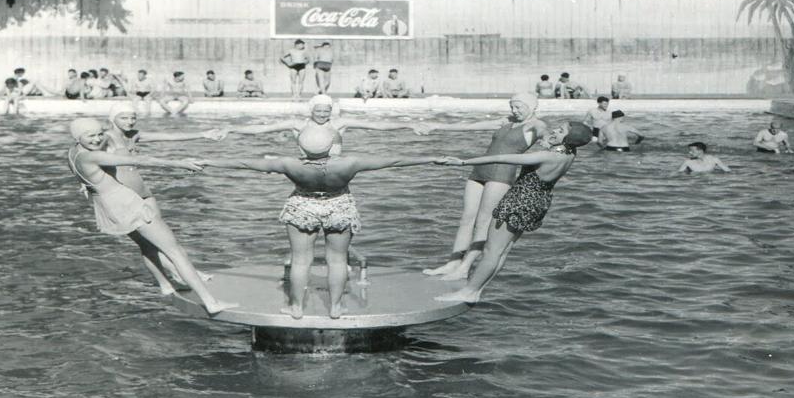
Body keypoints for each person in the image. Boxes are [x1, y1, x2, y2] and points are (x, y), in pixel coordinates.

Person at [200, 124, 443, 320]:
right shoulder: (350, 163)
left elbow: (245, 164)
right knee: (337, 261)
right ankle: (336, 308)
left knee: (300, 260)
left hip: (302, 206)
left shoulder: (289, 164)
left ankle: (296, 308)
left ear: (302, 148)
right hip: (339, 206)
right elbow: (394, 161)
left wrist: (206, 161)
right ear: (332, 146)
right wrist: (433, 158)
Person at [64, 118, 236, 316]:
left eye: (99, 134)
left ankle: (166, 285)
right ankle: (210, 301)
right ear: (78, 137)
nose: (97, 139)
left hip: (107, 205)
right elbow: (140, 160)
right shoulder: (91, 157)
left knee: (147, 246)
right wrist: (178, 163)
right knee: (175, 250)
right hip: (127, 203)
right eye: (90, 136)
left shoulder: (73, 153)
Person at [433, 122, 595, 305]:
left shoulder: (546, 156)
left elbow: (502, 158)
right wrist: (552, 142)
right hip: (537, 202)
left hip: (519, 200)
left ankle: (468, 291)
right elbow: (556, 150)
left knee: (491, 250)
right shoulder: (569, 154)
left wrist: (462, 162)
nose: (555, 130)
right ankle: (477, 290)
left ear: (568, 139)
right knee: (503, 251)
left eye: (561, 130)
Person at [418, 94, 550, 280]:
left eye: (519, 107)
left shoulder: (535, 125)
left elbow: (544, 131)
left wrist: (546, 140)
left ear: (532, 107)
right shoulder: (506, 121)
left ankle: (465, 268)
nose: (514, 111)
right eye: (512, 107)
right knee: (466, 219)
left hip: (502, 175)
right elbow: (470, 126)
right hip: (480, 170)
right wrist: (437, 126)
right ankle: (452, 263)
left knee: (483, 222)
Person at [223, 94, 428, 159]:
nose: (322, 114)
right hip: (306, 169)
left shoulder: (340, 123)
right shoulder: (298, 124)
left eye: (326, 111)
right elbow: (261, 129)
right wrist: (231, 129)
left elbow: (375, 125)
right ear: (311, 110)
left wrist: (407, 125)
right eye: (318, 111)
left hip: (333, 169)